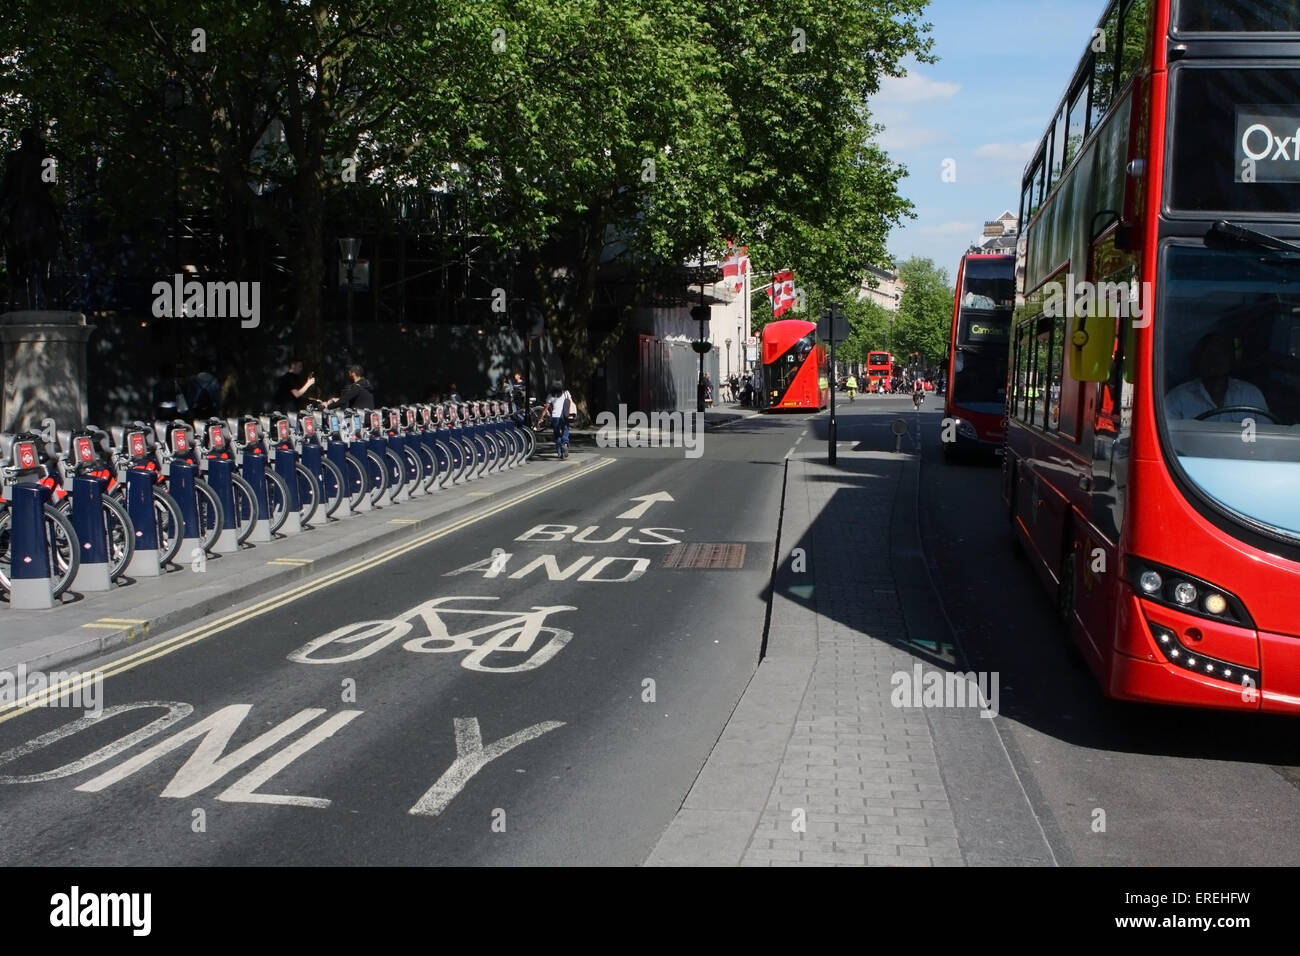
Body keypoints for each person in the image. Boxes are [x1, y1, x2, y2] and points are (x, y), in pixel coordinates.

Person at [1166, 332, 1269, 424]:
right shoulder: (1177, 398)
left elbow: (1266, 436)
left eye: (1221, 353)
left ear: (1231, 359)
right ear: (1198, 360)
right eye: (1209, 354)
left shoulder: (1250, 394)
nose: (1215, 359)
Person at [544, 382, 572, 459]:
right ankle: (565, 443)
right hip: (564, 415)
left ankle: (560, 453)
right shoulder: (566, 393)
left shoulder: (550, 396)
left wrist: (540, 418)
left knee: (557, 435)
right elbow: (570, 402)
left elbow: (546, 408)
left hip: (555, 417)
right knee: (565, 430)